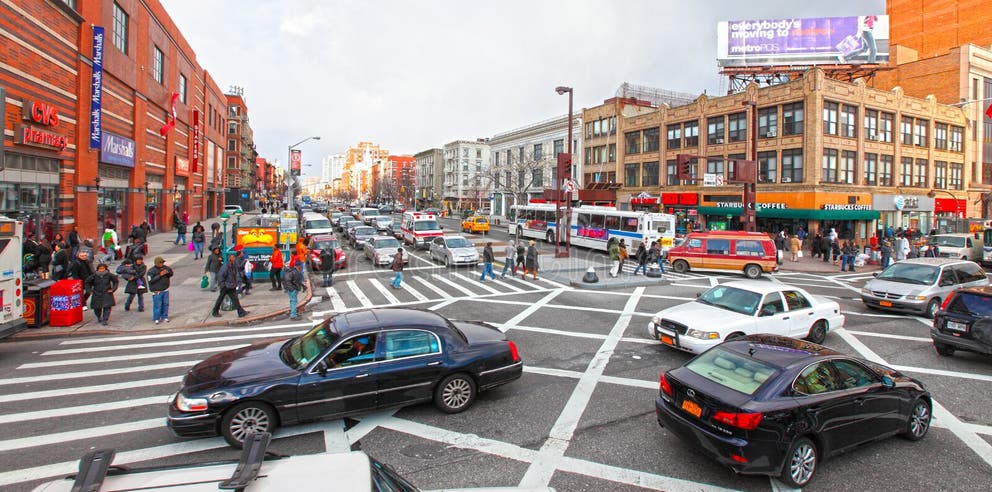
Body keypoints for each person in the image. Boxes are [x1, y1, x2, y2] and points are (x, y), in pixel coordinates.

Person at [212, 253, 249, 318]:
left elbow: (236, 273)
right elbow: (220, 276)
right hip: (226, 286)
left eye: (234, 257)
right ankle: (215, 311)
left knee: (235, 299)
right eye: (233, 257)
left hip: (231, 286)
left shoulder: (233, 265)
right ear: (230, 259)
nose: (234, 258)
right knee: (220, 299)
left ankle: (240, 312)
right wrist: (223, 285)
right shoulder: (225, 266)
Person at [148, 256, 174, 324]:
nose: (162, 264)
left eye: (162, 262)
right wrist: (160, 275)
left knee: (166, 304)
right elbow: (151, 281)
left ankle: (164, 316)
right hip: (157, 291)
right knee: (158, 305)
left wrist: (168, 272)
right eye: (160, 263)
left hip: (165, 289)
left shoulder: (166, 268)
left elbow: (171, 274)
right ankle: (156, 318)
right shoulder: (151, 271)